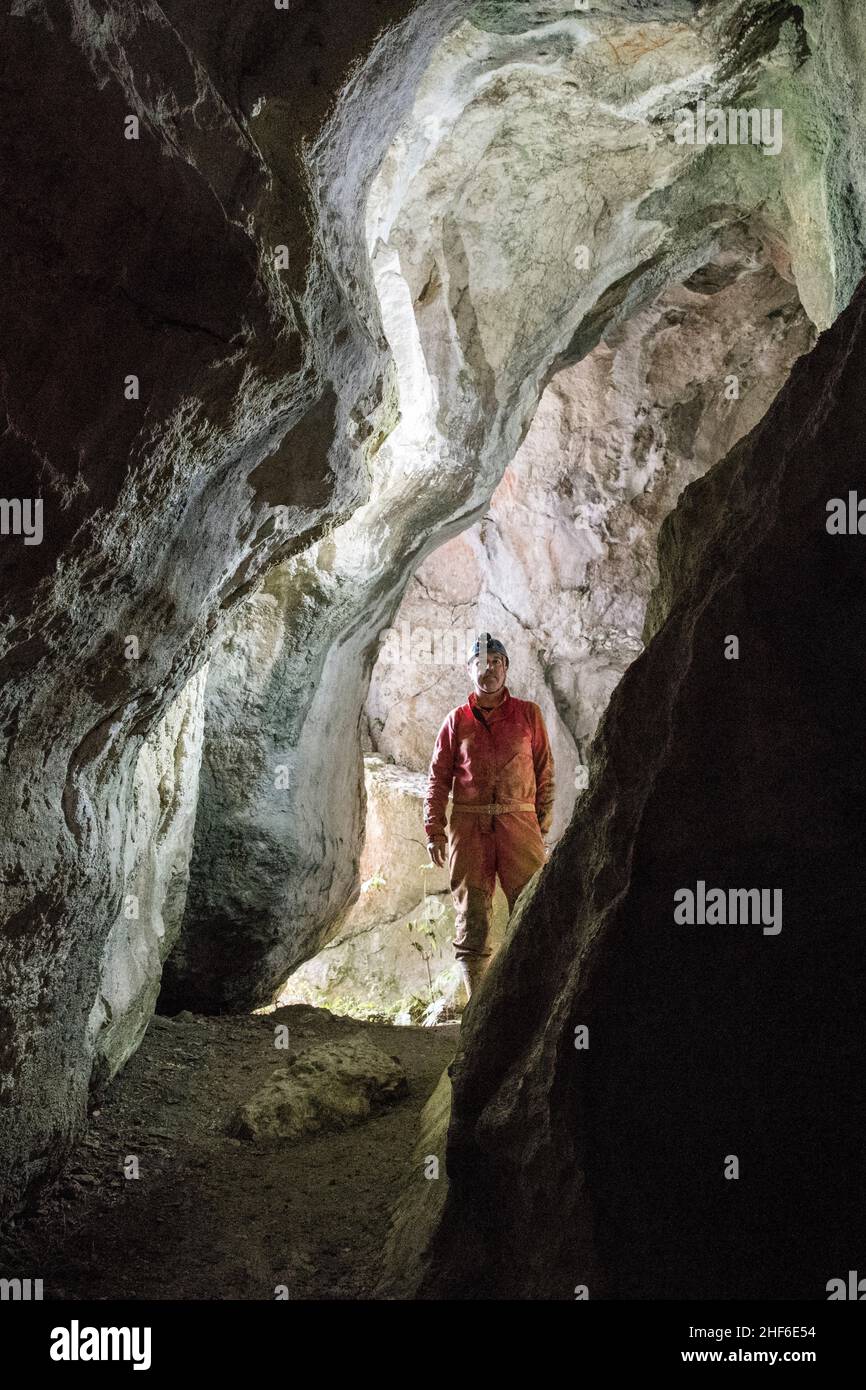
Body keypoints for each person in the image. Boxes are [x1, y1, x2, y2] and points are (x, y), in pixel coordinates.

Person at [423, 633, 555, 1000]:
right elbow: (438, 779)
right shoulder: (456, 721)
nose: (488, 669)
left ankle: (532, 1004)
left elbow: (545, 770)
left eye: (495, 661)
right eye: (480, 663)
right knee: (472, 919)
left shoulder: (529, 714)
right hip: (469, 827)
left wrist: (539, 824)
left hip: (519, 824)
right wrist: (434, 829)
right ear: (470, 671)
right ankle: (477, 1013)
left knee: (532, 911)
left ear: (506, 667)